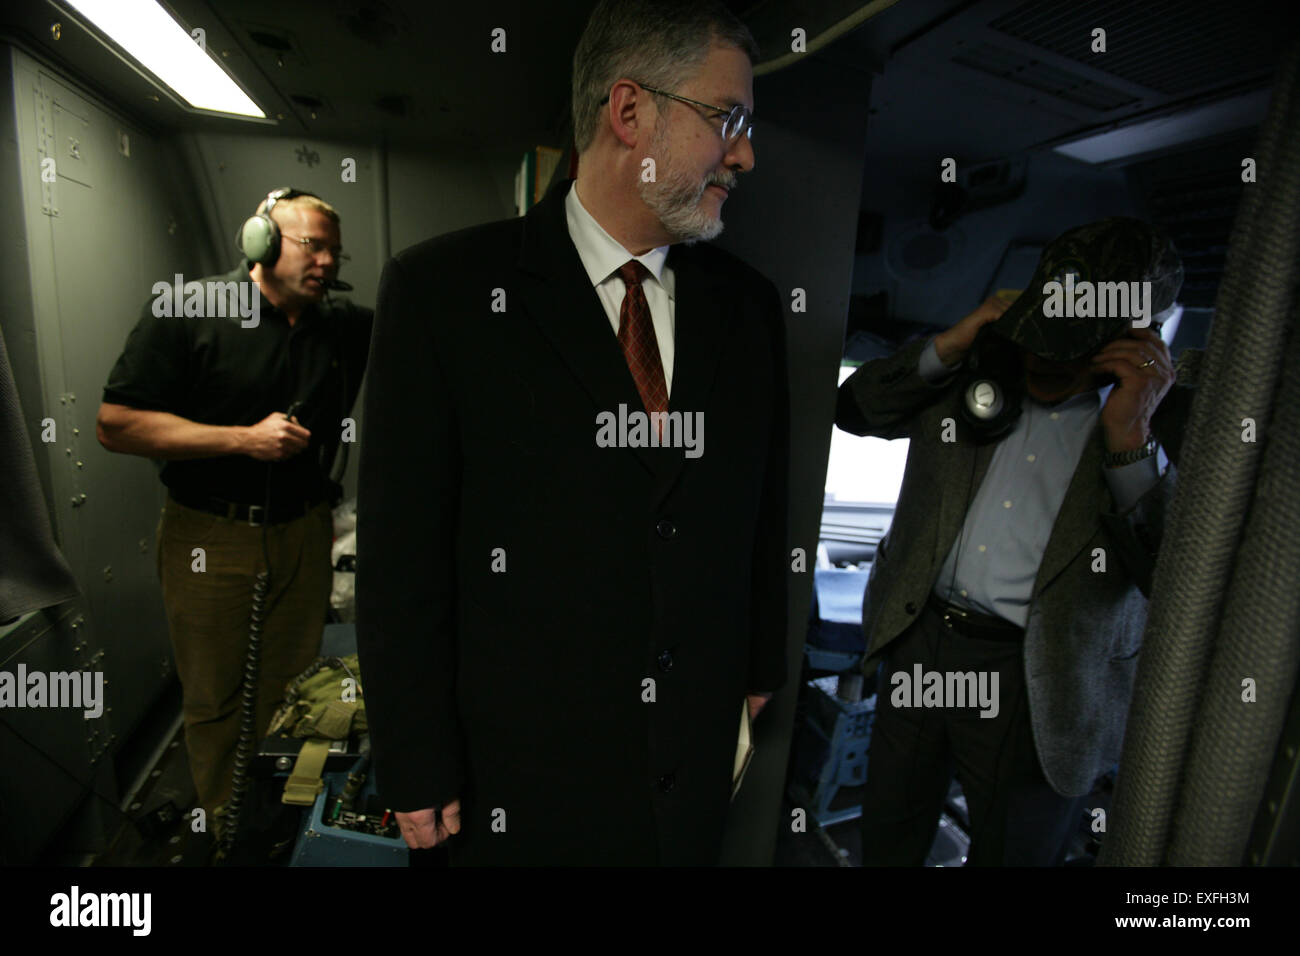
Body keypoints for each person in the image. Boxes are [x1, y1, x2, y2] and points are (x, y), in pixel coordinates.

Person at [356, 0, 789, 865]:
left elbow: (764, 509)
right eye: (726, 119)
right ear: (631, 113)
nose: (744, 153)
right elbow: (403, 558)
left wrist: (757, 673)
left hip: (688, 770)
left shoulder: (748, 307)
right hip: (518, 784)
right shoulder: (444, 293)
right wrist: (414, 761)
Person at [836, 217, 1190, 865]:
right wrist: (949, 341)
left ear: (1132, 338)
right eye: (1040, 334)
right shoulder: (968, 370)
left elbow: (1177, 580)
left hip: (1045, 676)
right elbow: (856, 409)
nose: (1043, 360)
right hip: (922, 643)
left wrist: (1130, 440)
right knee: (888, 834)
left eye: (1069, 346)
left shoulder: (1168, 423)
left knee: (1016, 854)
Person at [96, 188, 372, 829]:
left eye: (335, 249)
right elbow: (116, 424)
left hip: (303, 530)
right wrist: (242, 440)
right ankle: (226, 828)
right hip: (210, 534)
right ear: (262, 242)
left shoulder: (344, 326)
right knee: (216, 694)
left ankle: (284, 820)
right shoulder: (188, 310)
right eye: (313, 245)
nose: (328, 262)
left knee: (293, 684)